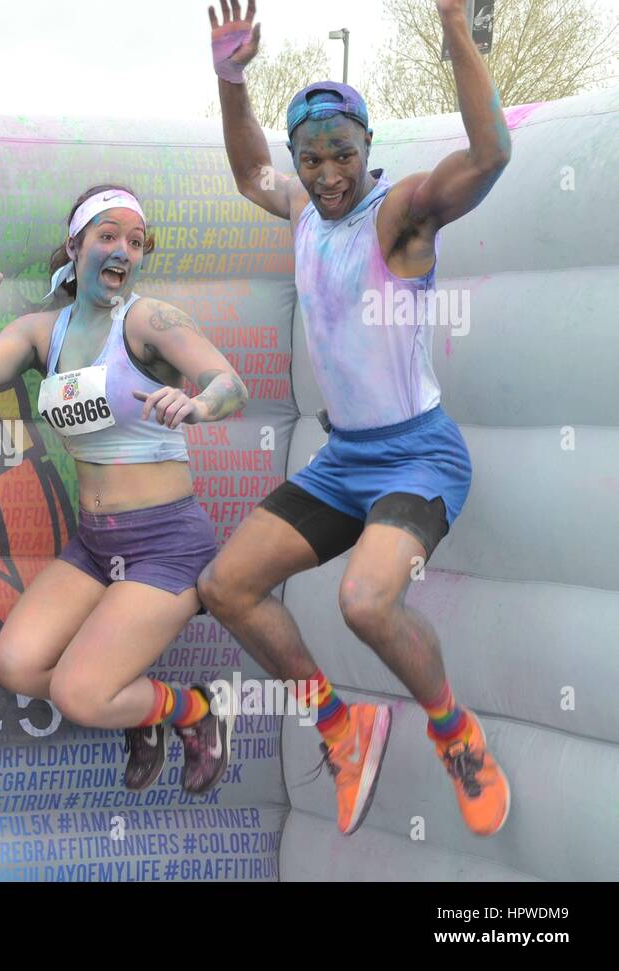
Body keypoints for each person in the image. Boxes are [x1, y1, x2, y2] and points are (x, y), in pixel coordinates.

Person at [201, 0, 512, 836]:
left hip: (418, 458)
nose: (328, 171)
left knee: (366, 602)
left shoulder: (399, 215)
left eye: (342, 152)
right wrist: (232, 79)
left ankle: (456, 735)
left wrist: (455, 27)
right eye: (312, 158)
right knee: (226, 586)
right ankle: (340, 725)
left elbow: (491, 154)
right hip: (346, 460)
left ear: (367, 148)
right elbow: (245, 172)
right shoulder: (303, 213)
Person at [0, 184, 249, 796]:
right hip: (95, 542)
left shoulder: (146, 319)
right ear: (74, 245)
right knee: (16, 664)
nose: (124, 251)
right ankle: (147, 710)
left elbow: (230, 382)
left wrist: (196, 403)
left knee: (79, 693)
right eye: (107, 236)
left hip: (167, 545)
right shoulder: (40, 332)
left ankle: (193, 708)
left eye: (135, 242)